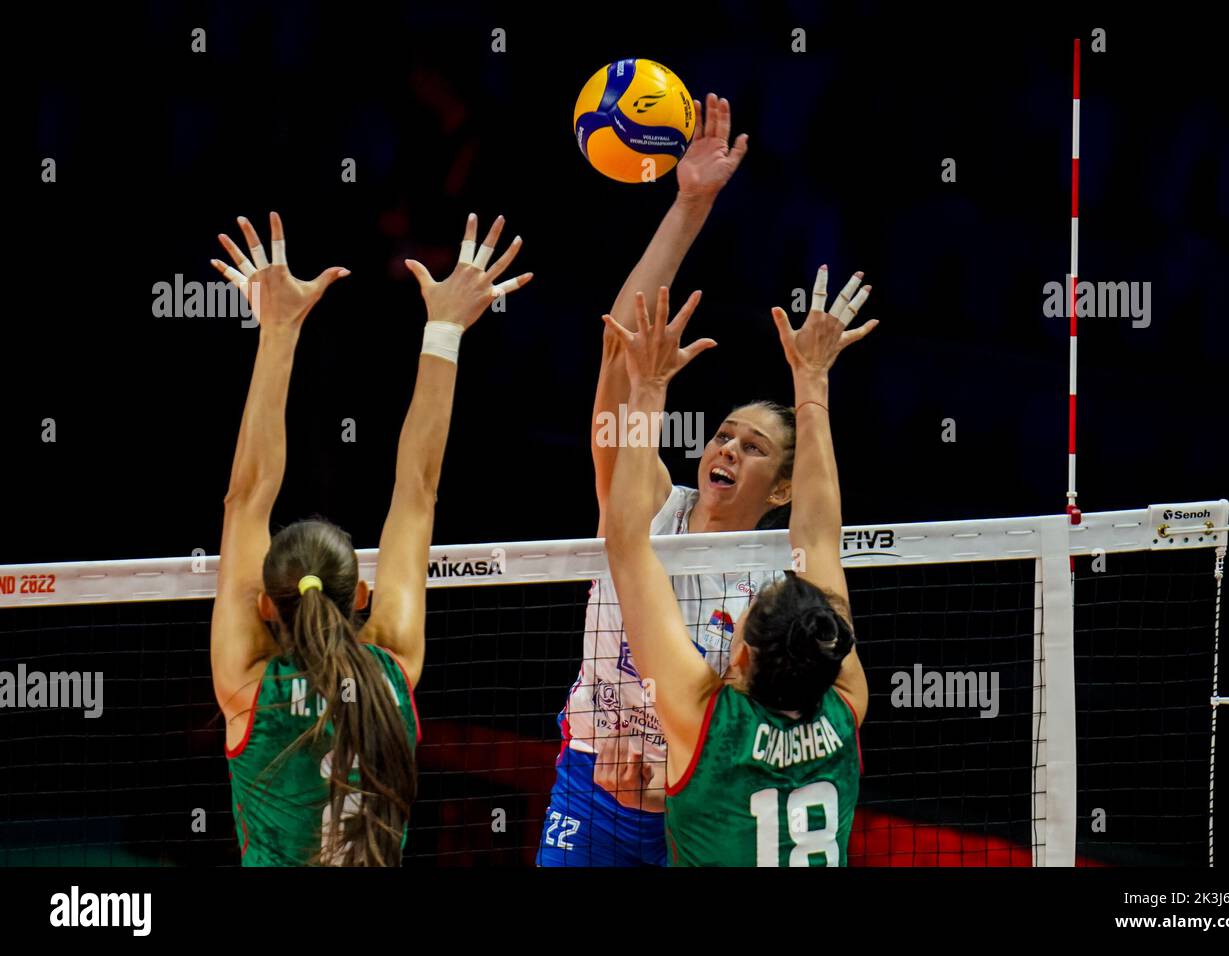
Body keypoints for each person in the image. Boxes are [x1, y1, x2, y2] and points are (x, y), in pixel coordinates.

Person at [539, 93, 870, 866]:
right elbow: (618, 359)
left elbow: (820, 534)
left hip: (706, 810)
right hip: (593, 800)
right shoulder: (651, 504)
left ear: (782, 487)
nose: (725, 449)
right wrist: (689, 206)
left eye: (752, 447)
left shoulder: (779, 588)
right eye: (722, 434)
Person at [209, 211, 530, 865]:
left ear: (266, 604)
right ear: (363, 597)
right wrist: (443, 332)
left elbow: (246, 498)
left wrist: (277, 331)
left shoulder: (246, 687)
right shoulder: (392, 672)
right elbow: (418, 493)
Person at [600, 267, 873, 866]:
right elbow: (822, 538)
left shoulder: (709, 726)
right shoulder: (844, 705)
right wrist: (812, 381)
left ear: (741, 655)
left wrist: (648, 389)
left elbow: (623, 541)